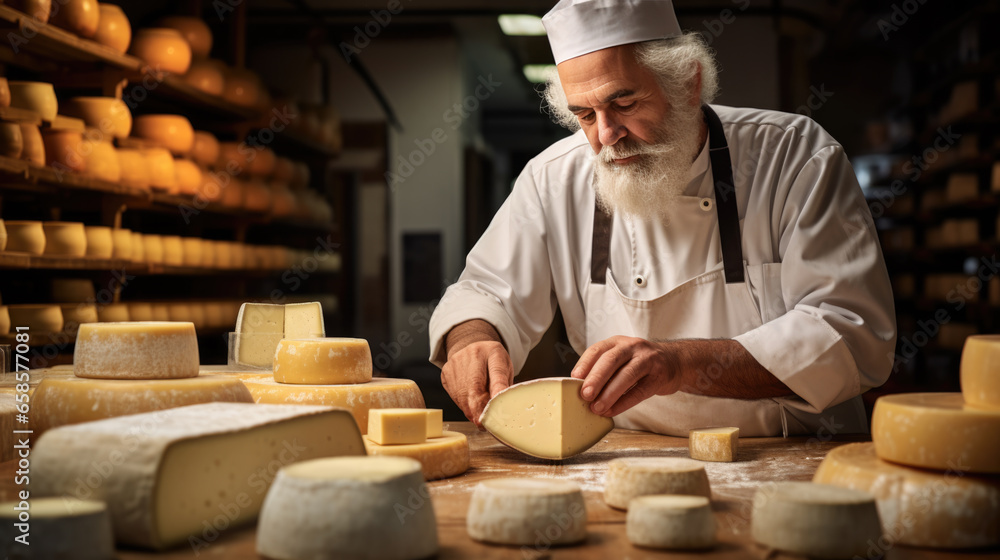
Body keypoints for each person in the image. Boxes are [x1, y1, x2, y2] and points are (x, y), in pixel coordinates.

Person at [428, 0, 897, 436]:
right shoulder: (553, 178)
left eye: (624, 104)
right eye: (585, 115)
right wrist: (471, 339)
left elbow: (853, 334)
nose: (606, 136)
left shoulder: (793, 157)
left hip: (792, 460)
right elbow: (485, 291)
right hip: (629, 463)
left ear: (689, 83)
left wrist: (680, 365)